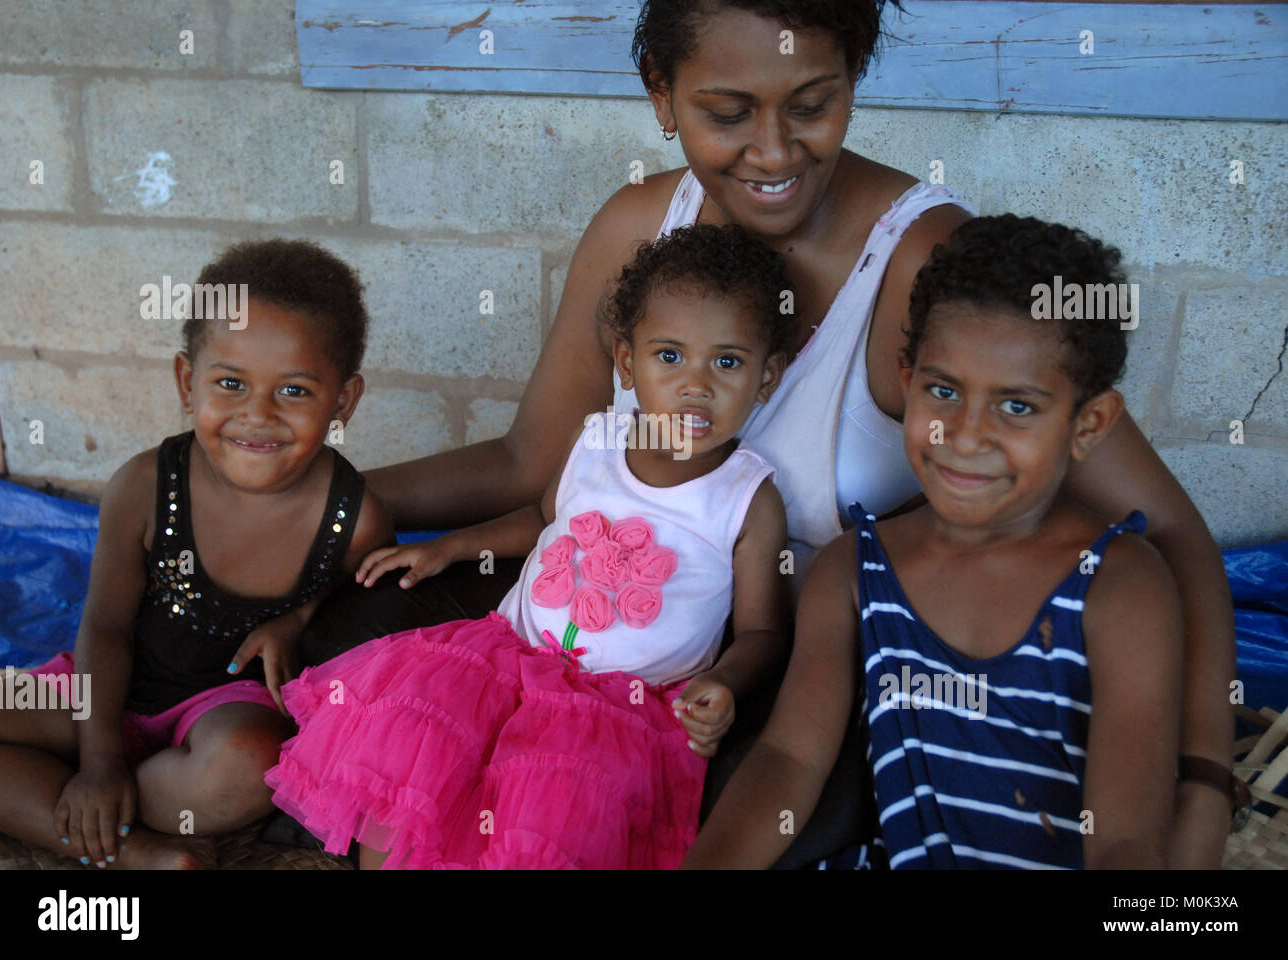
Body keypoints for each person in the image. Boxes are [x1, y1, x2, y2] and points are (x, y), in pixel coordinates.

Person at [307, 0, 1235, 867]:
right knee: (358, 634)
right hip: (613, 621)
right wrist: (332, 501)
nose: (774, 149)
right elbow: (529, 464)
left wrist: (1202, 782)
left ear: (852, 80)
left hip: (781, 663)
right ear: (662, 99)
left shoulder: (928, 268)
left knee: (792, 801)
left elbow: (1173, 533)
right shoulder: (643, 225)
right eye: (727, 111)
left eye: (813, 104)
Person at [263, 224, 791, 869]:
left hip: (620, 709)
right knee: (414, 764)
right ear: (627, 361)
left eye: (729, 362)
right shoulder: (596, 442)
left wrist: (724, 683)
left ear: (769, 377)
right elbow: (545, 518)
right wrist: (453, 547)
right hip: (503, 659)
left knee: (543, 822)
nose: (697, 385)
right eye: (669, 356)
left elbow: (763, 630)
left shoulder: (745, 497)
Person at [684, 215, 1183, 869]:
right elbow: (789, 758)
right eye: (943, 391)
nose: (967, 435)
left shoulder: (1119, 588)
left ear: (1089, 424)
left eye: (1018, 407)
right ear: (906, 377)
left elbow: (1124, 841)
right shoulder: (854, 571)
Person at [0, 240, 392, 868]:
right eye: (230, 383)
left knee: (250, 766)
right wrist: (98, 761)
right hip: (103, 691)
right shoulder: (146, 486)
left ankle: (91, 806)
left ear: (343, 401)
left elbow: (366, 610)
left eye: (294, 390)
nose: (256, 414)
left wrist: (297, 618)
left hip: (223, 715)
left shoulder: (353, 517)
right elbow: (105, 626)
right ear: (186, 381)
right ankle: (136, 852)